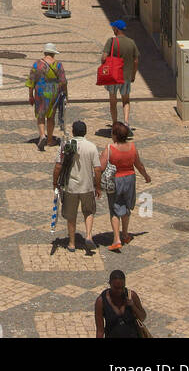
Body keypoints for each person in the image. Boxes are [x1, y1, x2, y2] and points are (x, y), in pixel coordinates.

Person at [100, 122, 151, 252]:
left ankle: (116, 239)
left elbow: (101, 167)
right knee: (126, 206)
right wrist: (146, 176)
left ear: (115, 135)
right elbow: (139, 165)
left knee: (114, 208)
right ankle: (125, 234)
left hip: (115, 180)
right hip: (130, 179)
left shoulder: (110, 148)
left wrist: (96, 183)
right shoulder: (132, 147)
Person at [53, 119, 101, 254]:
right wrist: (98, 186)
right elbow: (97, 169)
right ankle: (89, 235)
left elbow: (58, 166)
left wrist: (55, 182)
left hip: (71, 187)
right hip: (87, 186)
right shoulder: (91, 147)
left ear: (73, 132)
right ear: (85, 132)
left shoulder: (67, 145)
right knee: (89, 211)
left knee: (71, 215)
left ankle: (72, 243)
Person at [100, 20, 140, 129]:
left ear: (117, 29)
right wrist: (133, 75)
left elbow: (103, 58)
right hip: (126, 76)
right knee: (126, 100)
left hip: (113, 77)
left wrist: (105, 64)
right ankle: (126, 122)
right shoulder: (131, 42)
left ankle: (115, 123)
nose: (113, 29)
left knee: (113, 101)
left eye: (113, 28)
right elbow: (136, 61)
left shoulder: (111, 41)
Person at [27, 43, 67, 150]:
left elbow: (31, 81)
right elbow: (63, 81)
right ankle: (49, 140)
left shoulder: (37, 64)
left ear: (45, 52)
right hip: (53, 92)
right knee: (51, 116)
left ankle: (42, 135)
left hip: (40, 91)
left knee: (40, 115)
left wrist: (30, 96)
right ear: (53, 53)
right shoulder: (58, 65)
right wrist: (66, 94)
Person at [95, 271, 146, 340]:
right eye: (116, 288)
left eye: (122, 287)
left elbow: (142, 317)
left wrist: (133, 306)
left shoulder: (131, 296)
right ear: (110, 284)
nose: (119, 291)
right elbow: (100, 331)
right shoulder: (101, 302)